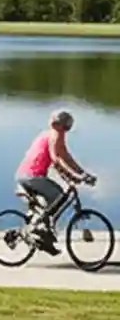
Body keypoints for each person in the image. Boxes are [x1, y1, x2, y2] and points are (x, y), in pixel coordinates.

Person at [16, 109, 97, 255]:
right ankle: (41, 231)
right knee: (57, 196)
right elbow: (56, 160)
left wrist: (82, 173)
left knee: (55, 198)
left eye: (68, 127)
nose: (67, 130)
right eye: (66, 126)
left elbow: (66, 158)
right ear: (58, 125)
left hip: (28, 175)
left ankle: (40, 229)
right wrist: (74, 177)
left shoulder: (53, 135)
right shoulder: (54, 135)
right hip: (31, 176)